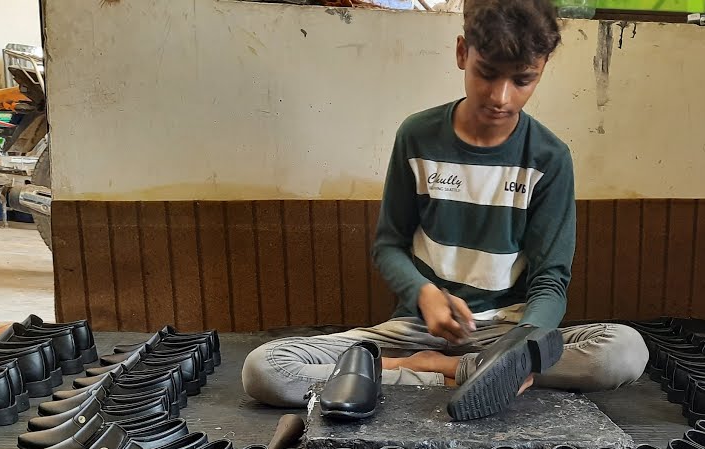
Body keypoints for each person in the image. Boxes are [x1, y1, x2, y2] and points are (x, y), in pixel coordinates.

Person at [242, 0, 646, 412]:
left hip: (507, 335)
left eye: (523, 80)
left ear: (542, 69)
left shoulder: (550, 158)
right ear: (462, 52)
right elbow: (389, 246)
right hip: (414, 330)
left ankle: (433, 372)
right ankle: (448, 371)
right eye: (487, 73)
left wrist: (522, 349)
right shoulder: (417, 137)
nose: (501, 97)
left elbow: (550, 280)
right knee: (267, 367)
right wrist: (425, 294)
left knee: (624, 351)